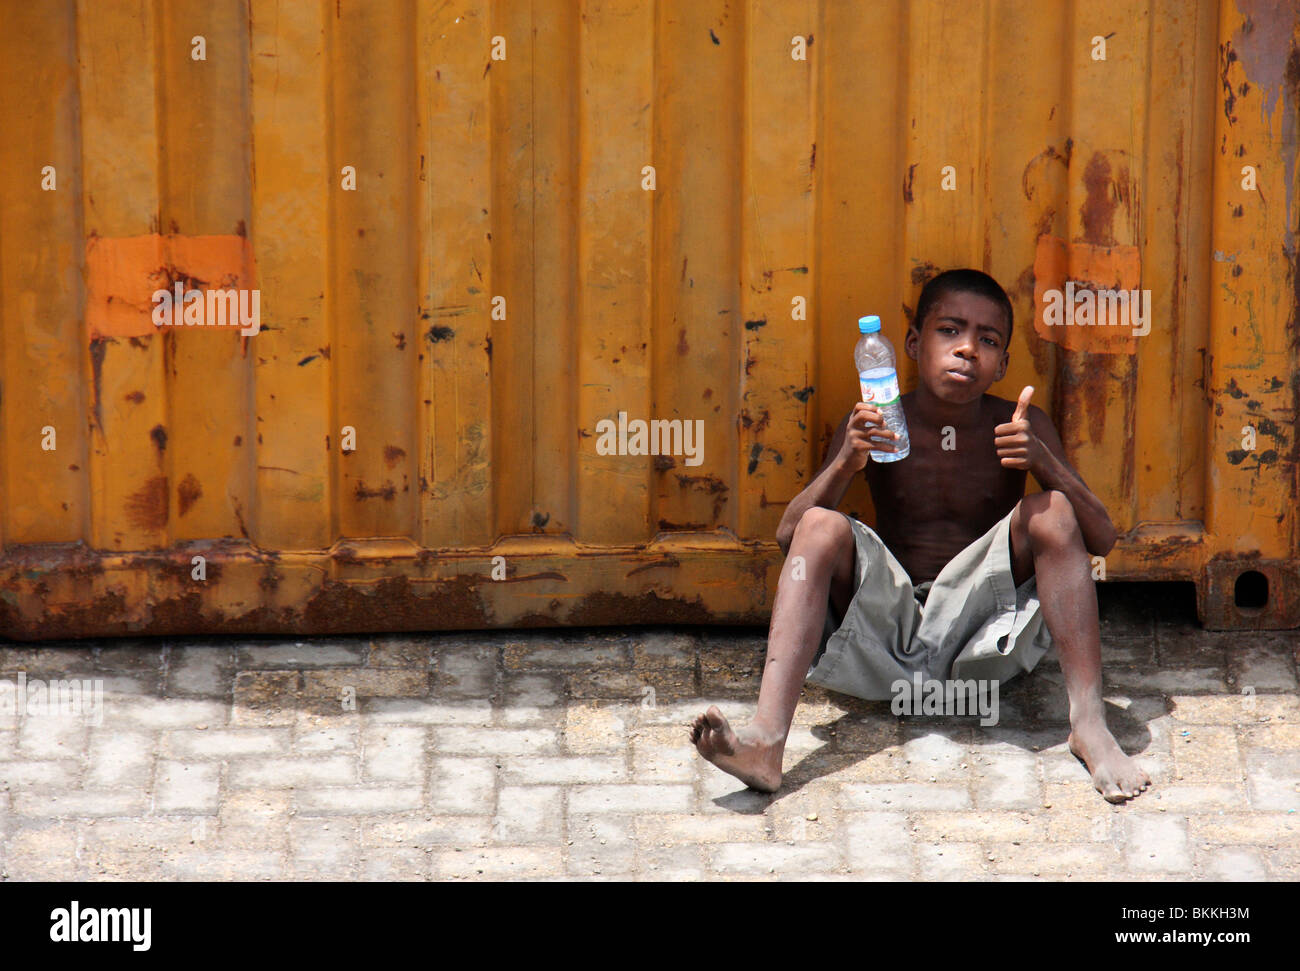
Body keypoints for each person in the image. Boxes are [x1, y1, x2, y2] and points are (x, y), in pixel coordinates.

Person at [691, 269, 1151, 804]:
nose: (967, 350)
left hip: (982, 640)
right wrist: (847, 461)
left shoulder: (1017, 423)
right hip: (888, 632)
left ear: (1002, 363)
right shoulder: (879, 420)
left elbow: (1102, 537)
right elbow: (789, 537)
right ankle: (766, 742)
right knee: (820, 523)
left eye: (988, 340)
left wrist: (1043, 461)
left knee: (1053, 512)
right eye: (950, 331)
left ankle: (1089, 725)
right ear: (912, 345)